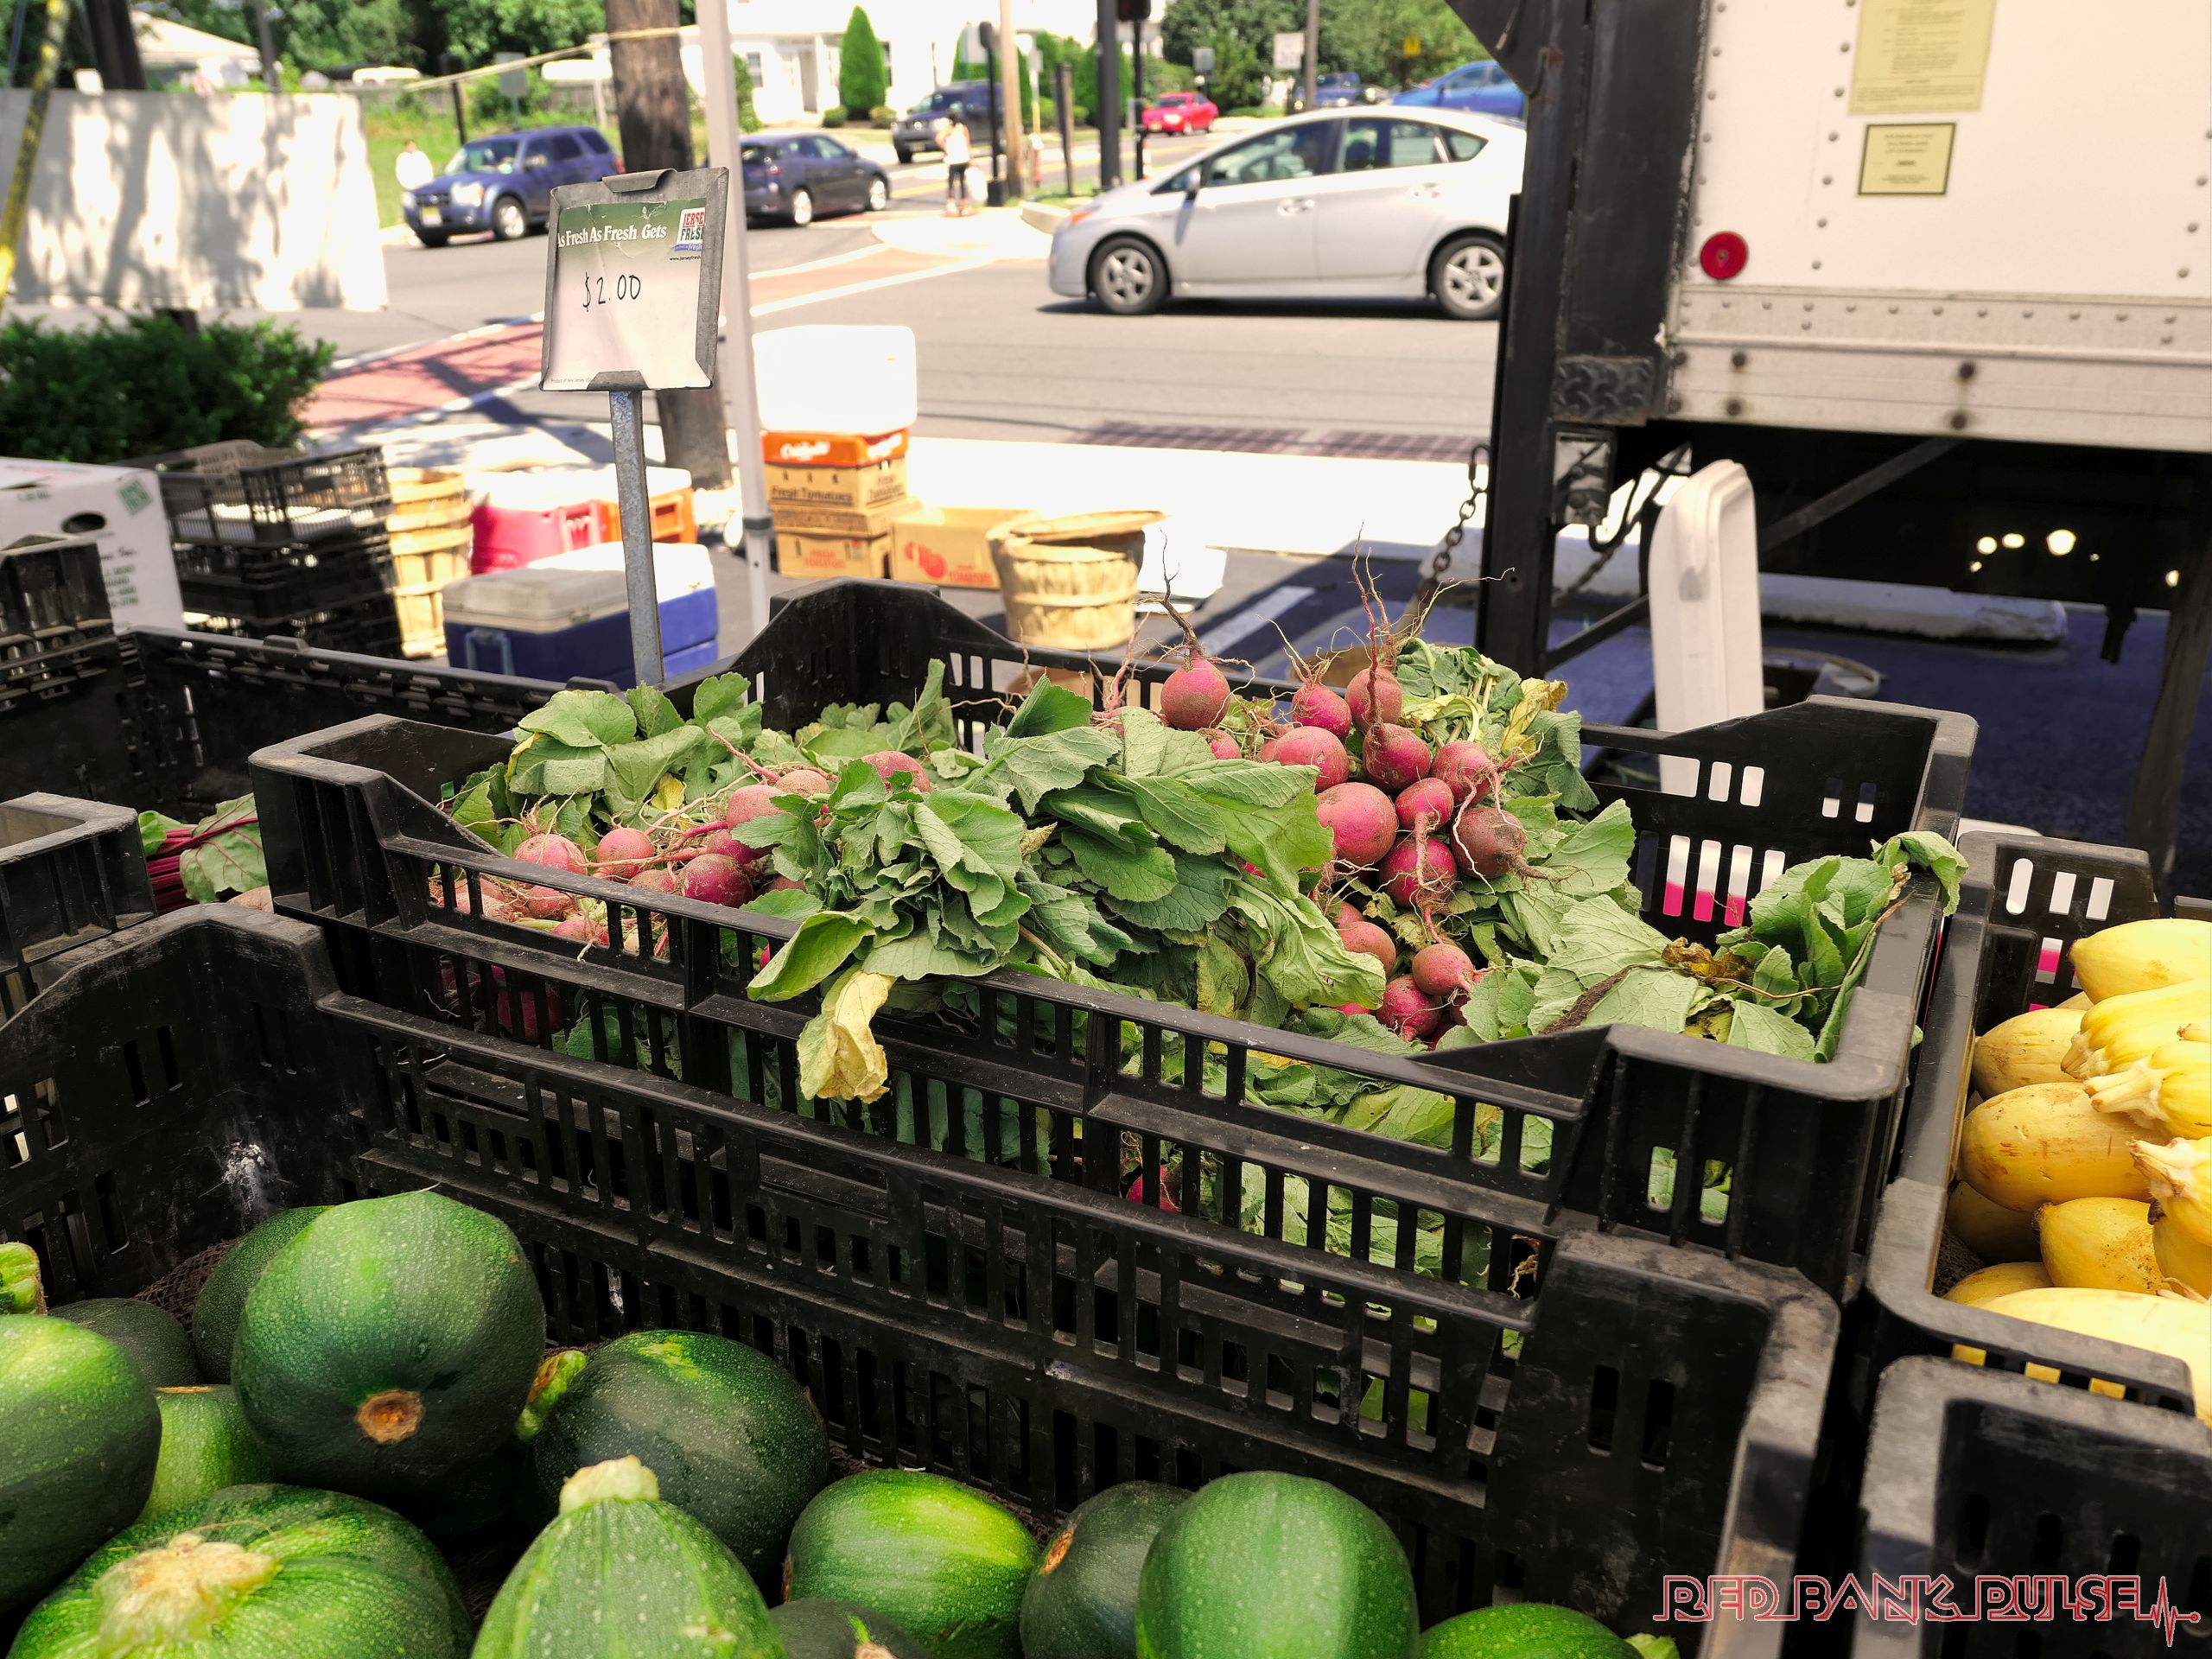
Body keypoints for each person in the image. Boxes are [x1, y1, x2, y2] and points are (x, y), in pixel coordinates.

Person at [942, 117, 972, 217]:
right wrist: (971, 157)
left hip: (953, 160)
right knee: (962, 183)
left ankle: (951, 204)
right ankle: (963, 206)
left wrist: (946, 148)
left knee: (951, 183)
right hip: (963, 158)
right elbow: (968, 144)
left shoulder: (948, 129)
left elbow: (938, 138)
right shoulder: (963, 128)